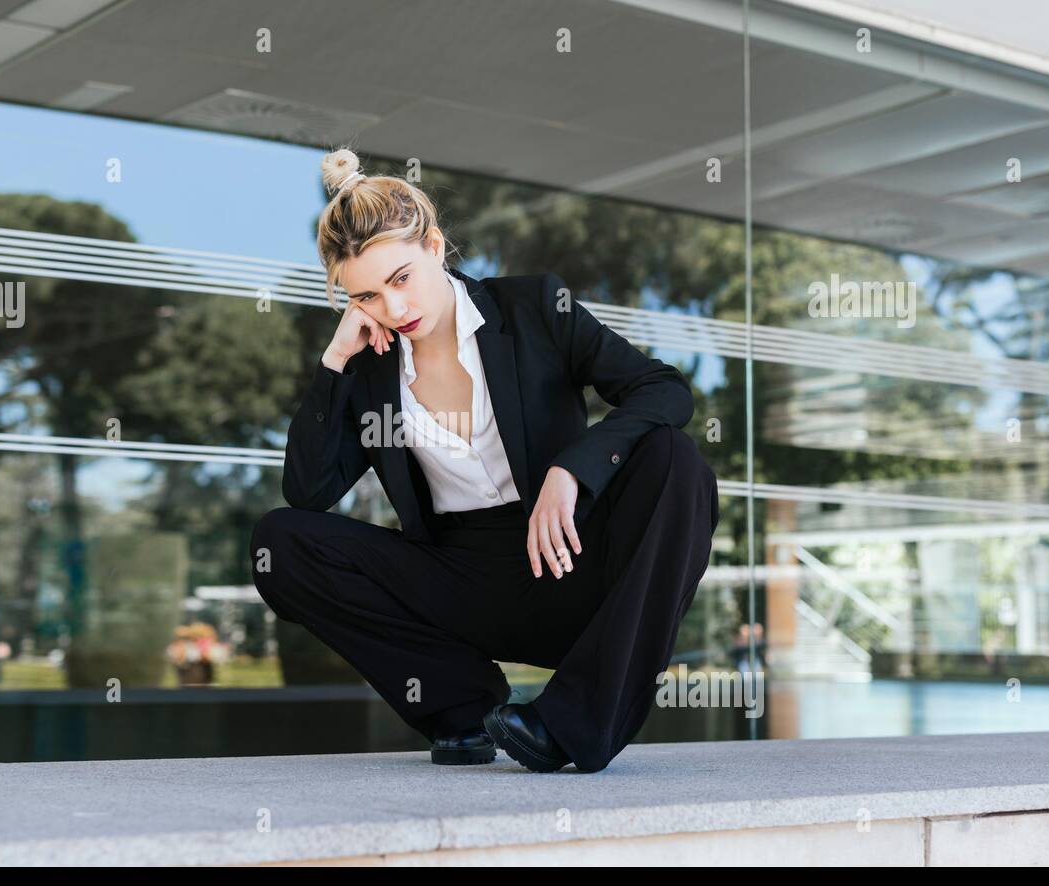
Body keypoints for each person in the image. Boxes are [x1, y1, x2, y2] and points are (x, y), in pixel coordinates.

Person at [249, 147, 719, 773]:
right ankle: (461, 709)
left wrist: (573, 470)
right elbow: (308, 493)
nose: (394, 309)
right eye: (365, 296)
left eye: (401, 279)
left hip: (569, 558)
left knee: (675, 459)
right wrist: (334, 365)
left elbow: (664, 390)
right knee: (279, 542)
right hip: (462, 578)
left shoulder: (533, 311)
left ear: (436, 248)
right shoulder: (367, 369)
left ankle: (575, 725)